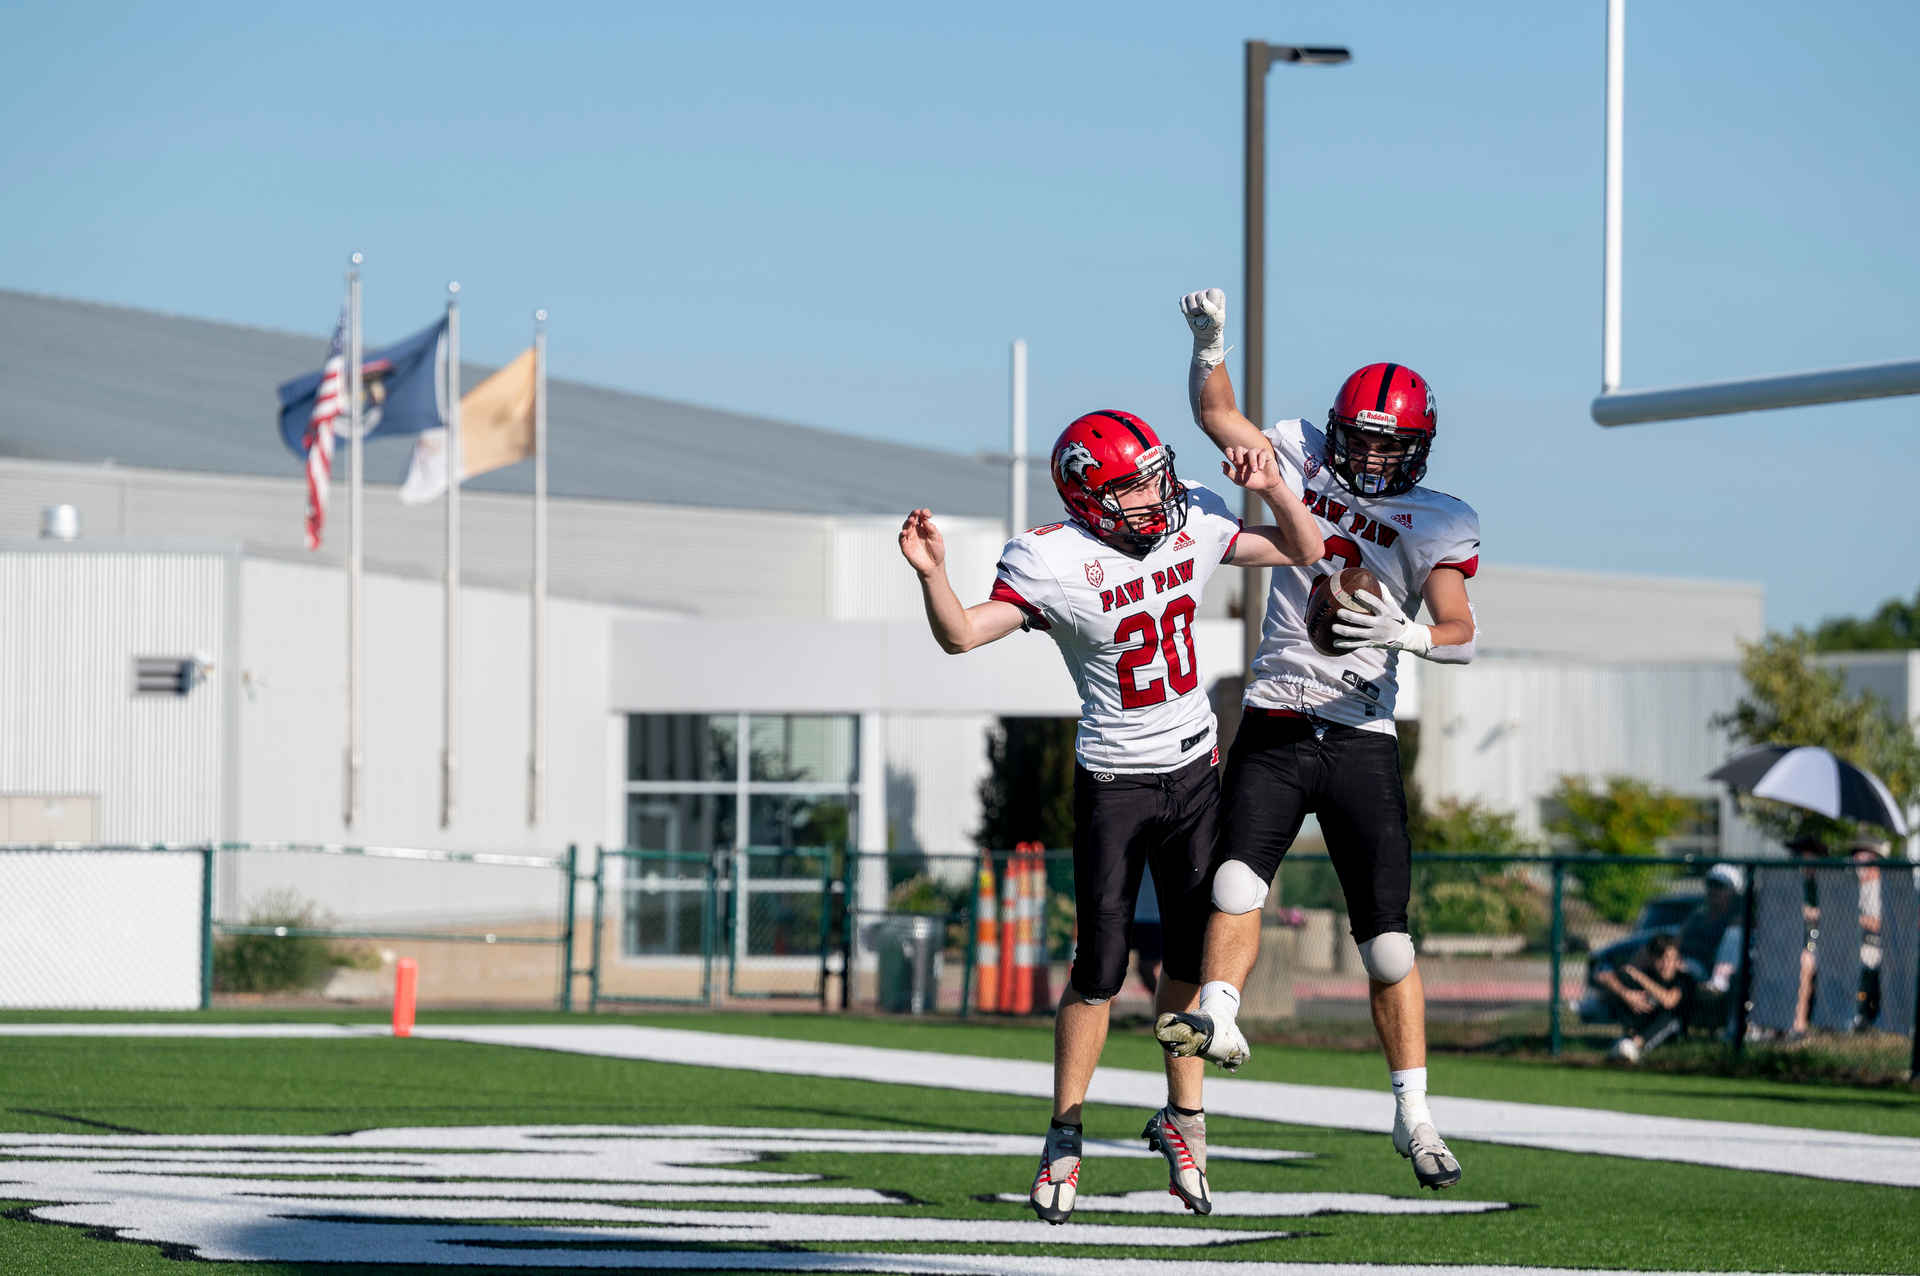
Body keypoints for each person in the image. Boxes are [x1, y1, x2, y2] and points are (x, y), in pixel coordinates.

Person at [898, 407, 1322, 1224]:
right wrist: (931, 573)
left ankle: (1185, 1120)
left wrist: (1272, 488)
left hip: (1196, 766)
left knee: (1194, 959)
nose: (1153, 496)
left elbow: (1302, 549)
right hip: (1116, 782)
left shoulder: (1189, 520)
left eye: (1154, 475)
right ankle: (1065, 1132)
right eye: (1131, 487)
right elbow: (961, 636)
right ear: (1088, 498)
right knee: (1099, 967)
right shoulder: (1052, 560)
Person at [1154, 288, 1480, 1192]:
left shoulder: (1444, 517)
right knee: (1234, 881)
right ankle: (1218, 1010)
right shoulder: (1298, 450)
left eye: (1388, 442)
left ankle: (1413, 1112)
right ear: (1338, 429)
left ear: (1416, 446)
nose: (1371, 455)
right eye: (1361, 437)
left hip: (1363, 730)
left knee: (1388, 948)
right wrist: (1209, 342)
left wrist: (1404, 634)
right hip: (1279, 712)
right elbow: (1218, 412)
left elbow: (1460, 627)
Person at [1597, 933, 1692, 1062]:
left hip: (1670, 1031)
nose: (1665, 964)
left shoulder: (1683, 979)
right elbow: (1603, 977)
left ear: (1678, 959)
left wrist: (1638, 976)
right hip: (1642, 1025)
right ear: (1652, 959)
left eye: (1670, 958)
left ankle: (1636, 1045)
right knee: (1622, 984)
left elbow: (1669, 1001)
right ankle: (1630, 1040)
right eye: (1660, 959)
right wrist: (1626, 994)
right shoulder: (1650, 974)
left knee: (1672, 1016)